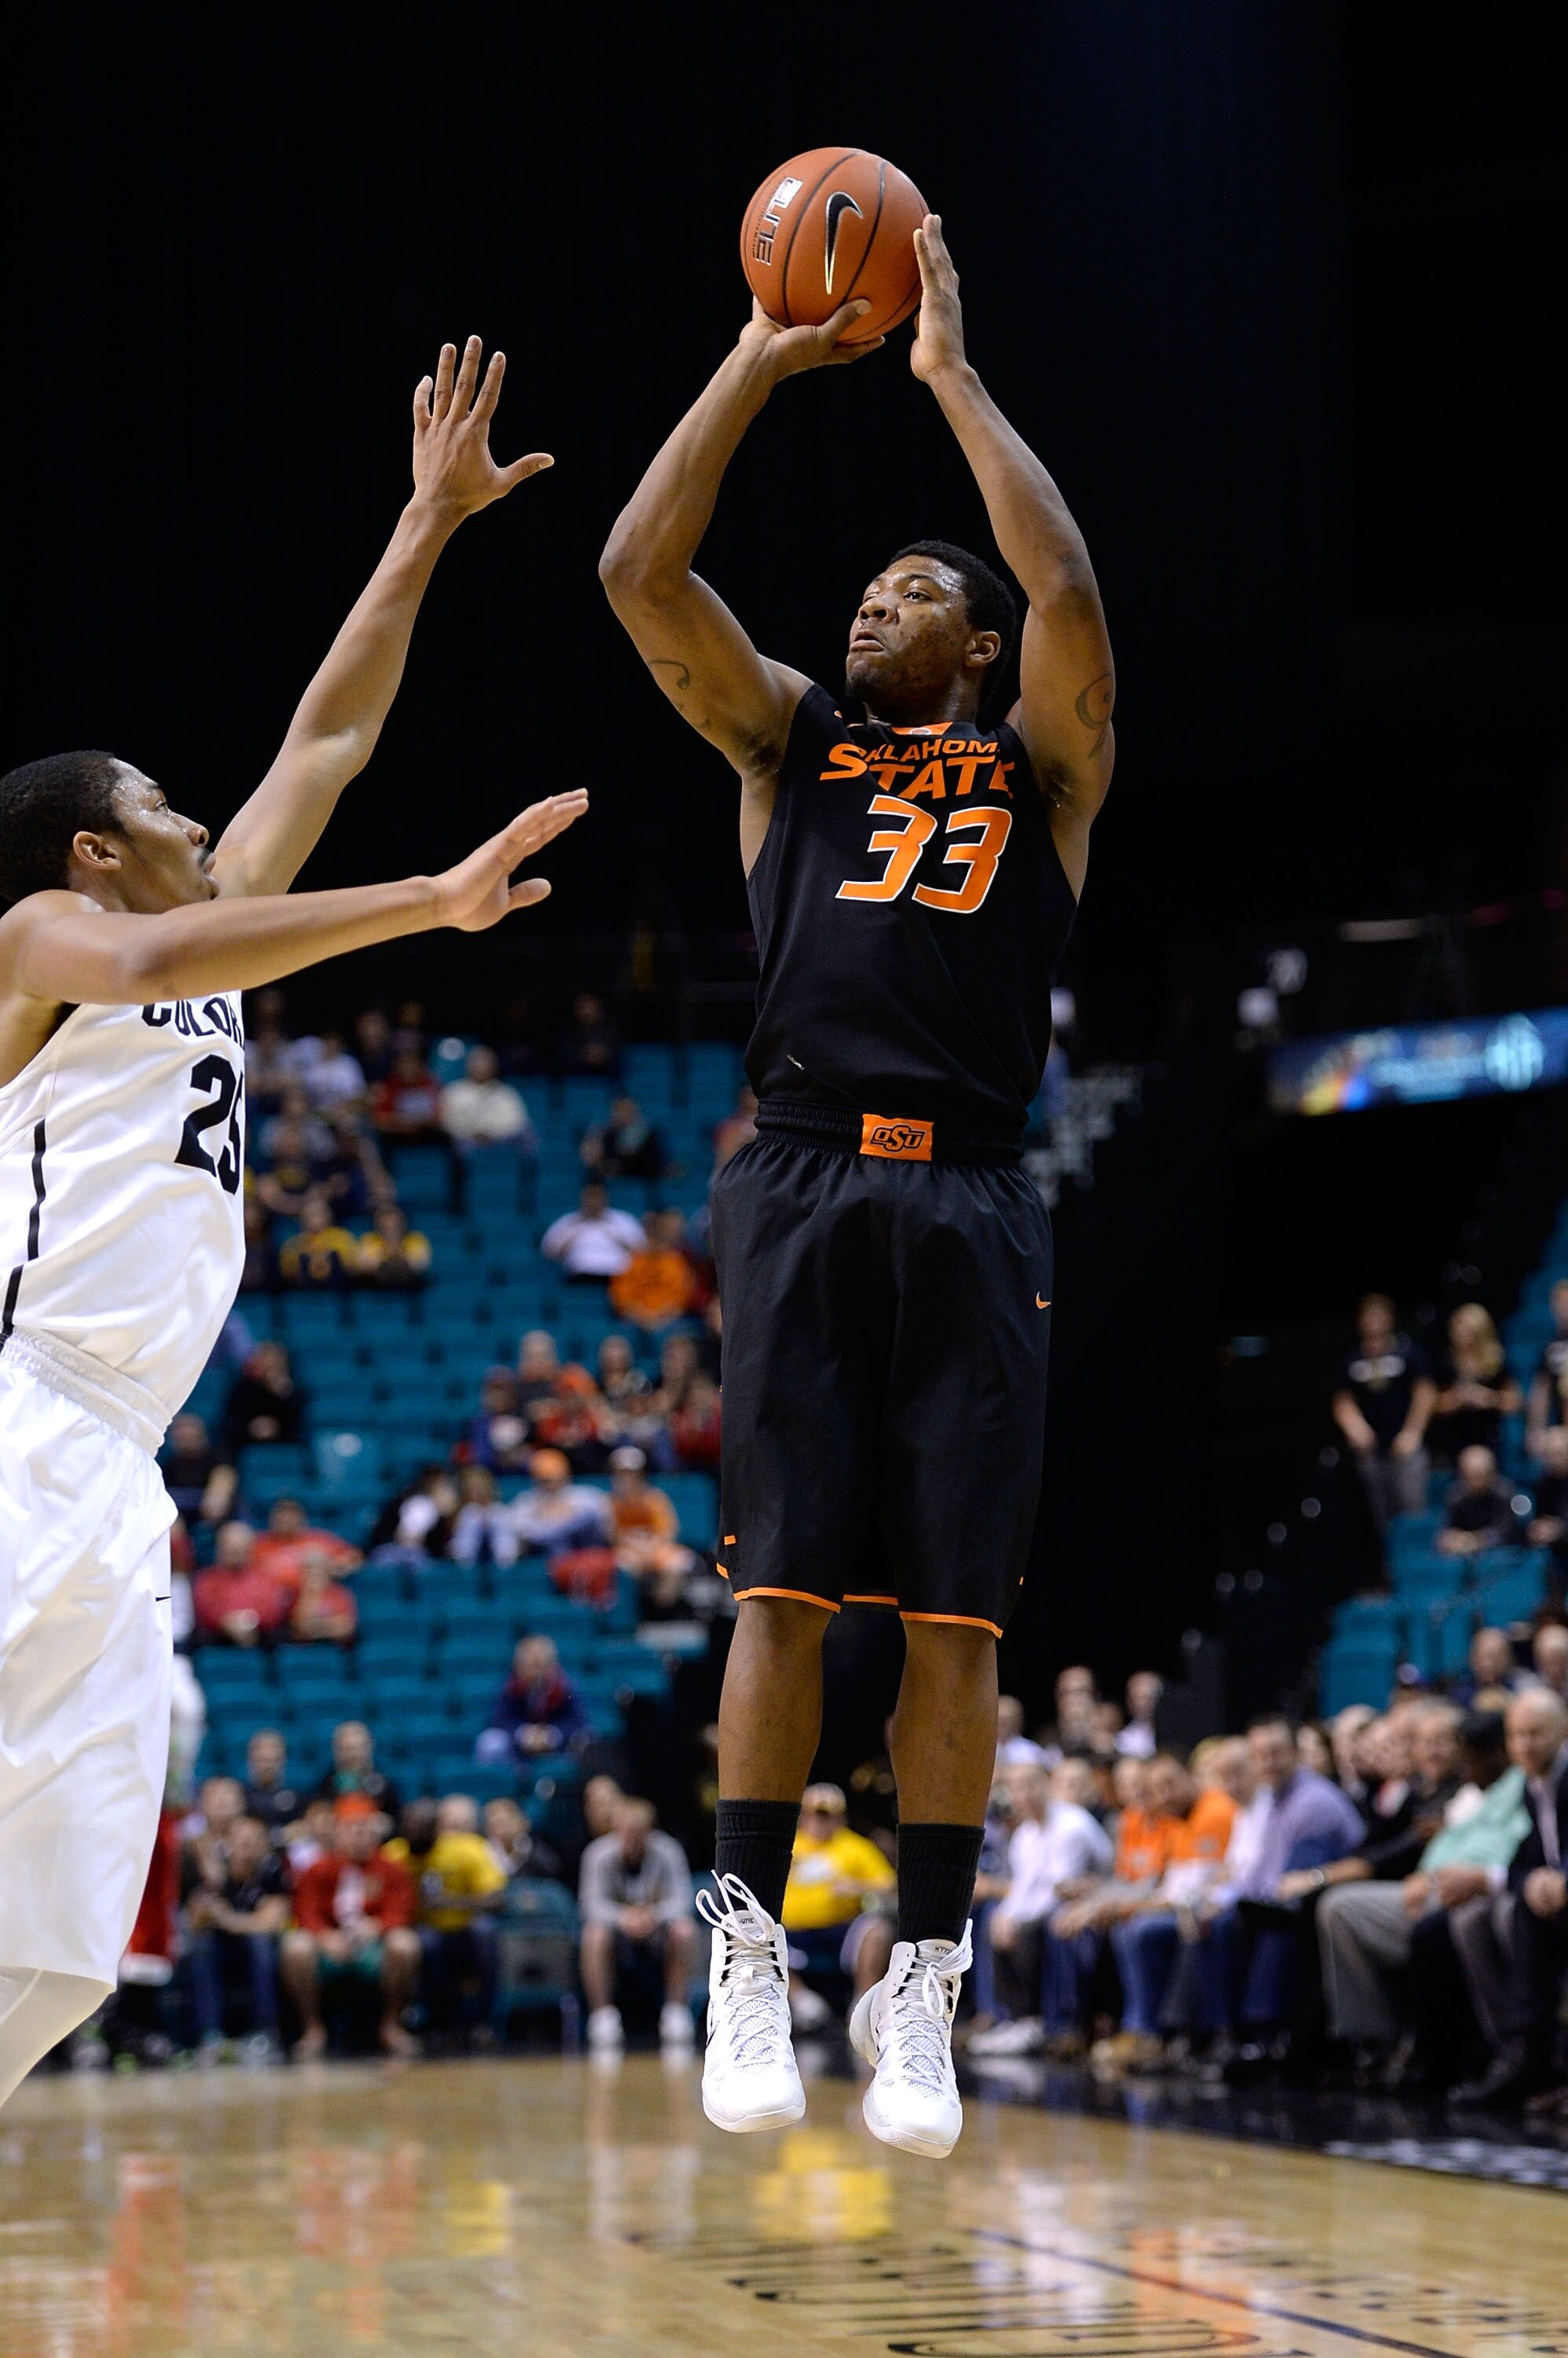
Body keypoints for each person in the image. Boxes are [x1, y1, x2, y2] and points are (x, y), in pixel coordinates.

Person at [603, 213, 1114, 2158]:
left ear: (972, 650)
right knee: (786, 1592)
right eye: (871, 586)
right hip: (804, 1173)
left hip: (978, 1189)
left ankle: (923, 1980)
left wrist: (949, 385)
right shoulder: (788, 743)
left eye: (912, 592)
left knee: (961, 1620)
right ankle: (746, 1939)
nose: (870, 607)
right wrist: (754, 356)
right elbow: (638, 571)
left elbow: (1066, 589)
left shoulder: (1046, 771)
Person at [1315, 1706, 1529, 2084]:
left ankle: (1453, 2055)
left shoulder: (1519, 1787)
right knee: (1337, 1906)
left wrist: (1435, 1879)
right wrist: (1423, 1876)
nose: (1464, 1765)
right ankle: (1373, 2039)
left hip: (1474, 1890)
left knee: (1437, 1931)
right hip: (1431, 1885)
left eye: (1467, 1756)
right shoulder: (1470, 1792)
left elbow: (1504, 1853)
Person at [1449, 1687, 1568, 2107]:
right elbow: (1525, 1861)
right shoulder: (1534, 1786)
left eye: (1535, 1733)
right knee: (1490, 1915)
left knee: (1518, 1914)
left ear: (1563, 1730)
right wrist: (1535, 1880)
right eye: (1516, 1735)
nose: (1525, 1744)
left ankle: (1533, 2056)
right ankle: (1522, 2054)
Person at [966, 1760, 1113, 2057]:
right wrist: (1006, 1915)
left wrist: (1015, 1919)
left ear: (1047, 1784)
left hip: (1092, 1904)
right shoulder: (1025, 1835)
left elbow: (1056, 1890)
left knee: (1038, 1925)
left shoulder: (1072, 1825)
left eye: (1031, 1784)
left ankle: (1051, 2023)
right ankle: (1012, 2017)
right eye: (1017, 1788)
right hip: (1058, 1905)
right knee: (996, 1919)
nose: (1026, 1794)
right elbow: (1024, 1887)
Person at [281, 1810, 420, 2059]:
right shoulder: (317, 1869)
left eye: (365, 1830)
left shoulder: (393, 1869)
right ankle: (313, 2029)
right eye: (352, 1829)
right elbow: (305, 1911)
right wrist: (324, 1937)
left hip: (374, 1946)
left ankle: (391, 2026)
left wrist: (378, 1926)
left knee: (406, 1944)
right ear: (338, 1834)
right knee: (296, 1947)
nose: (359, 1836)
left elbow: (402, 1910)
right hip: (330, 1944)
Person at [578, 1796, 697, 2050]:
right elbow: (590, 1904)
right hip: (616, 1933)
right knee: (593, 1935)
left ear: (651, 1830)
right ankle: (603, 2016)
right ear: (616, 1830)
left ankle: (677, 2011)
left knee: (685, 1930)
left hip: (658, 1931)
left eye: (639, 1832)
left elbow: (683, 1899)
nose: (633, 1838)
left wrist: (653, 1915)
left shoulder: (669, 1851)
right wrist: (624, 1918)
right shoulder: (597, 1855)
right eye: (627, 1832)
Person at [384, 1795, 506, 2038]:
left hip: (463, 1930)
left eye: (422, 1830)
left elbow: (498, 1898)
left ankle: (485, 2021)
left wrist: (453, 1903)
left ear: (437, 1829)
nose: (414, 1836)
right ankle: (442, 2020)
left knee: (486, 1931)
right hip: (421, 1932)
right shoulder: (393, 1854)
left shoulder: (467, 1848)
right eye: (409, 1830)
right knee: (427, 1942)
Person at [780, 1783, 897, 2029]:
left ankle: (862, 2007)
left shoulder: (856, 1847)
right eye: (814, 1814)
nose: (820, 1822)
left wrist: (857, 1886)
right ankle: (801, 2000)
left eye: (827, 1816)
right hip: (792, 1932)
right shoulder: (788, 1845)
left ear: (840, 1817)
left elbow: (889, 1885)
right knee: (760, 1931)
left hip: (840, 1930)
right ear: (803, 1815)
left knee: (877, 1930)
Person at [182, 1813, 290, 2061]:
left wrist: (227, 1919)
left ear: (263, 1845)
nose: (246, 1848)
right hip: (220, 1950)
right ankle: (210, 2036)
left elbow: (269, 1923)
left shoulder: (272, 1871)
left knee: (260, 1945)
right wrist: (205, 1907)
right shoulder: (215, 1874)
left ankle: (265, 2032)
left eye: (253, 1842)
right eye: (240, 1841)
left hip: (256, 1951)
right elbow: (195, 1921)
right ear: (228, 1844)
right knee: (200, 1947)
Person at [1330, 1293, 1435, 1530]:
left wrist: (1413, 1432)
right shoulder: (1352, 1360)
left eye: (1379, 1316)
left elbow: (1425, 1392)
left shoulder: (1408, 1352)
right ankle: (1391, 1563)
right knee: (1380, 1514)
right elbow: (1342, 1400)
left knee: (1412, 1509)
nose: (1374, 1321)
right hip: (1372, 1450)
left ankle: (1413, 1561)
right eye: (1369, 1316)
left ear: (1390, 1319)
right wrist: (1357, 1430)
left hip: (1405, 1445)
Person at [1427, 1302, 1522, 1469]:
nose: (1463, 1333)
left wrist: (1486, 1398)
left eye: (1469, 1329)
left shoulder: (1496, 1363)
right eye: (1459, 1327)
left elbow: (1515, 1403)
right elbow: (1431, 1405)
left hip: (1489, 1436)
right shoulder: (1444, 1363)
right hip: (1451, 1436)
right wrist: (1458, 1398)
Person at [476, 1634, 590, 1760]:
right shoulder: (510, 1686)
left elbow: (578, 1720)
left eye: (540, 1664)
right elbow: (499, 1720)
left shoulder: (565, 1686)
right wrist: (523, 1733)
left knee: (588, 1738)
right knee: (490, 1742)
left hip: (558, 1743)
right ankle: (503, 1779)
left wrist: (553, 1734)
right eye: (529, 1665)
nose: (536, 1671)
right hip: (519, 1746)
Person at [193, 1522, 292, 1647]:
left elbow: (273, 1611)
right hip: (218, 1636)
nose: (236, 1555)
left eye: (239, 1550)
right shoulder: (207, 1579)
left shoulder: (266, 1579)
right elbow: (204, 1609)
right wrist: (227, 1622)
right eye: (231, 1550)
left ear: (250, 1549)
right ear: (220, 1550)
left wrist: (250, 1622)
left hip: (260, 1635)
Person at [608, 1208, 700, 1332]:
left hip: (669, 1323)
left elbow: (682, 1299)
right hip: (635, 1323)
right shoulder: (630, 1262)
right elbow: (621, 1299)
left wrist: (661, 1319)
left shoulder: (676, 1262)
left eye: (658, 1233)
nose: (654, 1238)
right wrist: (643, 1317)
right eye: (650, 1233)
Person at [539, 1180, 645, 1284]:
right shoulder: (567, 1222)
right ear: (582, 1198)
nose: (593, 1201)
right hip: (580, 1276)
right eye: (590, 1196)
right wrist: (571, 1238)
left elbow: (642, 1251)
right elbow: (549, 1253)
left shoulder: (624, 1220)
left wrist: (618, 1238)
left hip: (618, 1278)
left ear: (606, 1198)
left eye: (597, 1196)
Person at [1436, 1445, 1522, 1557]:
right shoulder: (1456, 1495)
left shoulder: (1505, 1493)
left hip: (1500, 1560)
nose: (1473, 1482)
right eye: (1467, 1476)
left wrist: (1473, 1540)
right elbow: (1445, 1532)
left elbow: (1505, 1534)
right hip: (1463, 1557)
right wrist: (1450, 1540)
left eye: (1479, 1476)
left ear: (1491, 1474)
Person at [224, 1340, 307, 1456]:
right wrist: (252, 1428)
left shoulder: (295, 1391)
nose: (270, 1364)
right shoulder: (243, 1389)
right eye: (265, 1358)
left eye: (275, 1359)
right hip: (246, 1447)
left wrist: (284, 1393)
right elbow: (231, 1423)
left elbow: (298, 1425)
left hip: (285, 1448)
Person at [160, 1411, 237, 1530]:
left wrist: (217, 1496)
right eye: (181, 1432)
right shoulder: (169, 1464)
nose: (185, 1435)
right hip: (182, 1520)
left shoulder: (217, 1456)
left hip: (222, 1521)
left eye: (190, 1431)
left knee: (235, 1535)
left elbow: (224, 1476)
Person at [314, 1721, 402, 1820]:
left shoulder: (384, 1783)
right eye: (348, 1749)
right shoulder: (327, 1784)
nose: (354, 1755)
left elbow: (397, 1818)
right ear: (337, 1750)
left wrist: (386, 1824)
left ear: (370, 1746)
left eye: (359, 1748)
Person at [580, 1093, 668, 1182]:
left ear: (634, 1111)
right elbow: (593, 1164)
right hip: (611, 1185)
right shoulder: (604, 1135)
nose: (623, 1114)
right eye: (620, 1110)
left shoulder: (649, 1135)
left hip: (641, 1183)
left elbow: (654, 1165)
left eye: (627, 1110)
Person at [1526, 1280, 1568, 1458]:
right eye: (1561, 1304)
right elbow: (1541, 1392)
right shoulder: (1551, 1348)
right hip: (1562, 1430)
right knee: (1556, 1446)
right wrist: (1535, 1430)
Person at [288, 1546, 359, 1644]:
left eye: (319, 1569)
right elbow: (301, 1627)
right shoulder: (296, 1594)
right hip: (304, 1648)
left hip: (335, 1647)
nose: (314, 1574)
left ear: (328, 1572)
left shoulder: (340, 1594)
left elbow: (346, 1627)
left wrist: (317, 1628)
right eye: (309, 1570)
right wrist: (313, 1594)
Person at [355, 1200, 432, 1288]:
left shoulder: (416, 1239)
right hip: (376, 1286)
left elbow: (420, 1265)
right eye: (384, 1220)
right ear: (377, 1222)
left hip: (409, 1286)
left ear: (403, 1220)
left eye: (394, 1220)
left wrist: (389, 1258)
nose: (390, 1224)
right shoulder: (369, 1239)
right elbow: (365, 1266)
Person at [243, 1729, 302, 1835]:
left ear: (283, 1761)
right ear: (250, 1761)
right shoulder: (241, 1797)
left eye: (273, 1760)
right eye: (261, 1760)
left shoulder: (297, 1797)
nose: (267, 1767)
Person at [1116, 1672, 1163, 1759]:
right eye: (1136, 1698)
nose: (1142, 1704)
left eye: (1148, 1697)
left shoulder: (1176, 1731)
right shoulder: (1124, 1741)